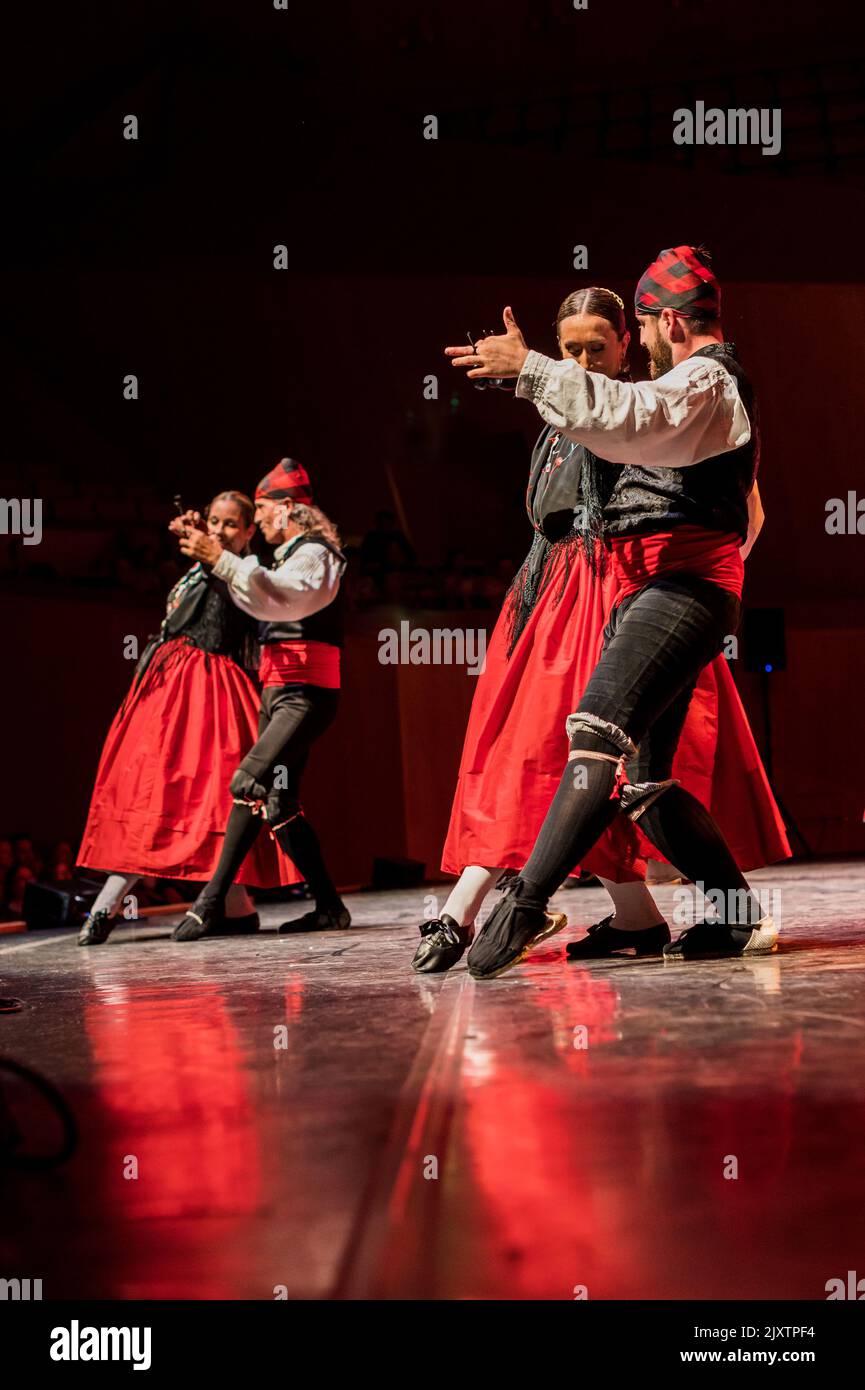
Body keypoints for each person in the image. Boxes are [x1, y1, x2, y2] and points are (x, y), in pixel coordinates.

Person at [415, 287, 787, 974]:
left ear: (633, 340)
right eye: (570, 349)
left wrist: (702, 578)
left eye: (603, 344)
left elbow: (740, 505)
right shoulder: (584, 409)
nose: (584, 359)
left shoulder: (670, 394)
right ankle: (731, 919)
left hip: (645, 589)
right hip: (598, 591)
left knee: (587, 742)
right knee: (641, 784)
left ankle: (518, 904)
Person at [76, 491, 301, 945]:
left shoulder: (245, 573)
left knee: (195, 797)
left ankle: (110, 901)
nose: (219, 531)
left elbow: (237, 590)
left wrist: (209, 547)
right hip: (167, 690)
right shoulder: (206, 563)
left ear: (248, 531)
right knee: (161, 792)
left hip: (205, 692)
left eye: (231, 524)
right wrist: (202, 542)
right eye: (214, 522)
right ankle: (237, 906)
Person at [172, 459, 349, 940]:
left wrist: (221, 556)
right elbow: (255, 595)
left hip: (304, 694)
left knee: (247, 781)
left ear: (287, 508)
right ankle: (330, 908)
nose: (262, 517)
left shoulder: (318, 553)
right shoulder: (284, 557)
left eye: (265, 509)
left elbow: (286, 596)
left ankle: (208, 903)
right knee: (279, 803)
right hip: (280, 692)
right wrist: (214, 554)